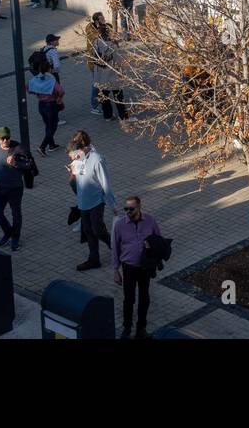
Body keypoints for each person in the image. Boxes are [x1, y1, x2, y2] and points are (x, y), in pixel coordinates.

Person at [113, 196, 162, 338]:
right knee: (128, 299)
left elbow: (159, 239)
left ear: (139, 207)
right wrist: (116, 270)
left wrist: (152, 248)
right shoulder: (120, 225)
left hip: (145, 267)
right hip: (128, 267)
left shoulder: (150, 221)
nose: (128, 211)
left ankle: (141, 328)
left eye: (131, 209)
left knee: (144, 297)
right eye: (126, 208)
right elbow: (115, 248)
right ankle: (127, 328)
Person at [67, 130, 115, 270]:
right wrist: (72, 172)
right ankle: (94, 259)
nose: (73, 159)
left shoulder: (97, 160)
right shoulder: (77, 160)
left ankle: (116, 247)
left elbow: (105, 183)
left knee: (98, 230)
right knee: (88, 231)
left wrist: (112, 204)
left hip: (96, 201)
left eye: (74, 156)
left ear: (82, 149)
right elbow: (77, 179)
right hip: (83, 201)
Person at [0, 127, 26, 251]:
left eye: (7, 138)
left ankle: (15, 238)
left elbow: (28, 165)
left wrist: (15, 162)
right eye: (2, 138)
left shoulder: (18, 149)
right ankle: (8, 231)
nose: (5, 140)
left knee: (16, 214)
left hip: (15, 188)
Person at [92, 23, 125, 120]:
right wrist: (123, 72)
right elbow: (118, 60)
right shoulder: (112, 44)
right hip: (112, 73)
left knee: (104, 96)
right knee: (118, 95)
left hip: (100, 74)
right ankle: (123, 116)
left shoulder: (97, 42)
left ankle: (107, 116)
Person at [29, 63, 64, 156]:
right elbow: (61, 91)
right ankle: (42, 147)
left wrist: (38, 94)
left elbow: (28, 88)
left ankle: (52, 145)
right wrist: (59, 97)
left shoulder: (36, 79)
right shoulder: (51, 80)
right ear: (49, 69)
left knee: (47, 125)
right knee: (53, 126)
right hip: (51, 105)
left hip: (41, 105)